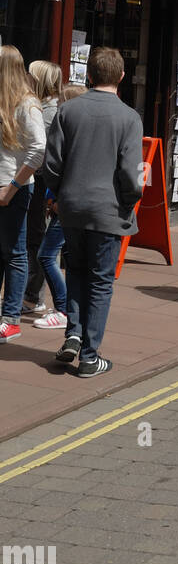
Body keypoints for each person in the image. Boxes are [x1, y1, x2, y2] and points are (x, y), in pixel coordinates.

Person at [43, 47, 143, 375]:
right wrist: (129, 201)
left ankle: (73, 332)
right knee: (100, 281)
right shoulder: (129, 117)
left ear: (89, 75)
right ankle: (89, 355)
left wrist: (59, 196)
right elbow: (131, 174)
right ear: (122, 77)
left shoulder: (68, 111)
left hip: (71, 207)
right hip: (108, 210)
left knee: (76, 271)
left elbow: (52, 163)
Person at [0, 46, 47, 342]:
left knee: (15, 253)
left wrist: (13, 187)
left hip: (12, 189)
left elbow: (39, 149)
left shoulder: (27, 103)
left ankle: (11, 318)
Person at [32, 81, 86, 331]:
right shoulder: (81, 132)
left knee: (46, 255)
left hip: (66, 205)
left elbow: (58, 169)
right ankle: (66, 309)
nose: (58, 106)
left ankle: (63, 309)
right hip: (70, 203)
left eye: (62, 102)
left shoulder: (69, 132)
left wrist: (55, 199)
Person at [22, 60, 63, 317]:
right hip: (41, 183)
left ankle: (33, 297)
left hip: (41, 184)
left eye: (30, 73)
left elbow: (42, 152)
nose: (25, 76)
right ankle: (31, 295)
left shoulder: (48, 112)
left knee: (38, 240)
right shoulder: (46, 108)